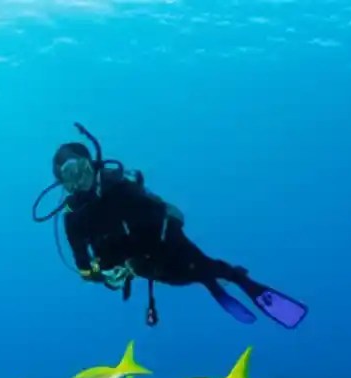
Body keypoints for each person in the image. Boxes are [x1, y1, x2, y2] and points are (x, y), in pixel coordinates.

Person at [31, 124, 308, 329]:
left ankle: (237, 280)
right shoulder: (73, 217)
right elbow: (83, 265)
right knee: (193, 276)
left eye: (80, 169)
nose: (79, 180)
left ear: (92, 164)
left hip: (170, 249)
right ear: (61, 182)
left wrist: (117, 260)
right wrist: (104, 275)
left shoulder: (121, 188)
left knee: (202, 270)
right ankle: (215, 283)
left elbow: (160, 220)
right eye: (69, 175)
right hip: (143, 268)